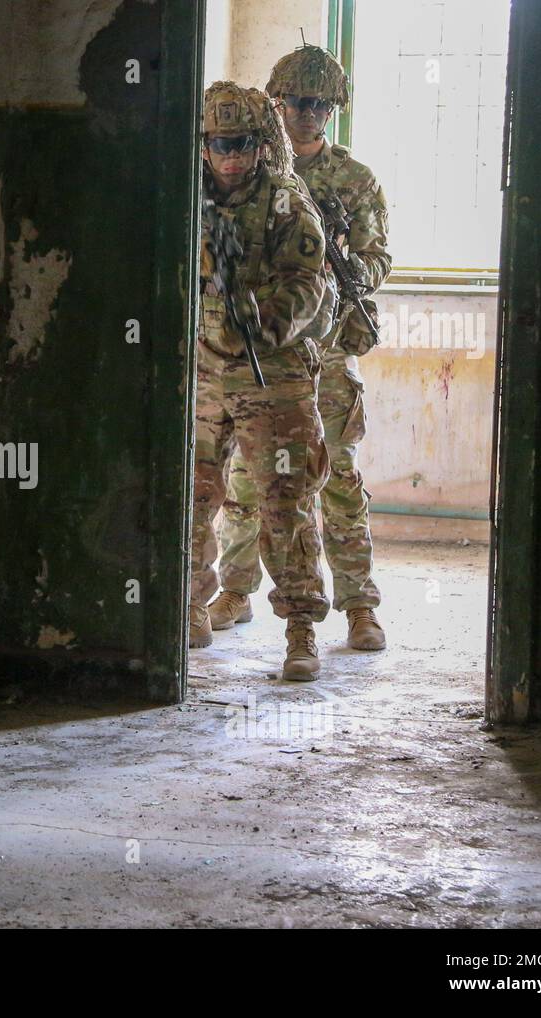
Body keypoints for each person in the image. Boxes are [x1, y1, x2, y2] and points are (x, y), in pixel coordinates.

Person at [209, 46, 392, 652]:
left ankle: (358, 605)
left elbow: (376, 258)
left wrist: (346, 278)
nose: (306, 114)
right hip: (253, 352)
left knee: (332, 474)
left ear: (332, 108)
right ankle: (235, 589)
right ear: (277, 104)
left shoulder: (355, 180)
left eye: (319, 104)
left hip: (327, 349)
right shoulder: (247, 169)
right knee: (243, 476)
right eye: (295, 102)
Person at [193, 82, 331, 680]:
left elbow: (308, 281)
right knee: (192, 495)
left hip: (269, 369)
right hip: (201, 368)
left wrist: (263, 319)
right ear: (203, 145)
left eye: (243, 144)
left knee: (284, 502)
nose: (230, 156)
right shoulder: (185, 197)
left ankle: (301, 627)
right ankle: (188, 606)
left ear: (260, 144)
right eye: (220, 144)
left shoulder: (286, 202)